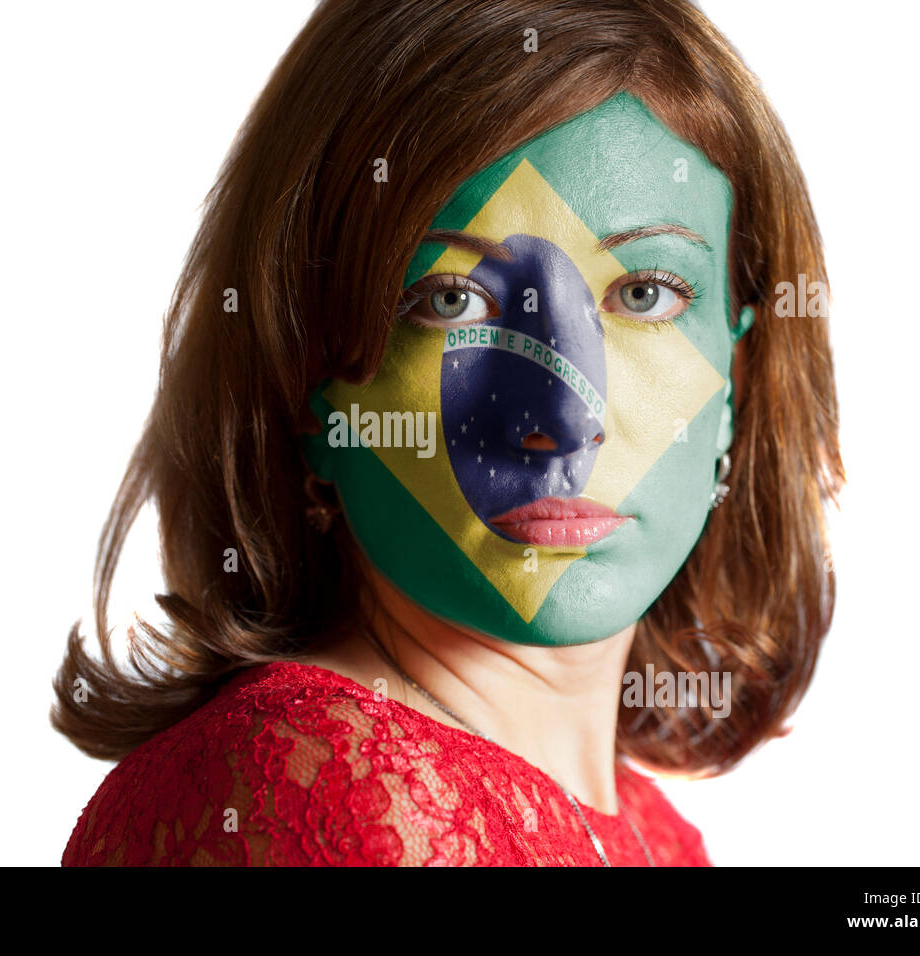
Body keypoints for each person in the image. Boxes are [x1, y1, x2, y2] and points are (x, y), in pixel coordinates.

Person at [52, 0, 842, 866]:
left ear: (737, 375)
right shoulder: (307, 789)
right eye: (454, 301)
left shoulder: (663, 839)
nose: (561, 420)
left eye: (645, 295)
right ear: (313, 387)